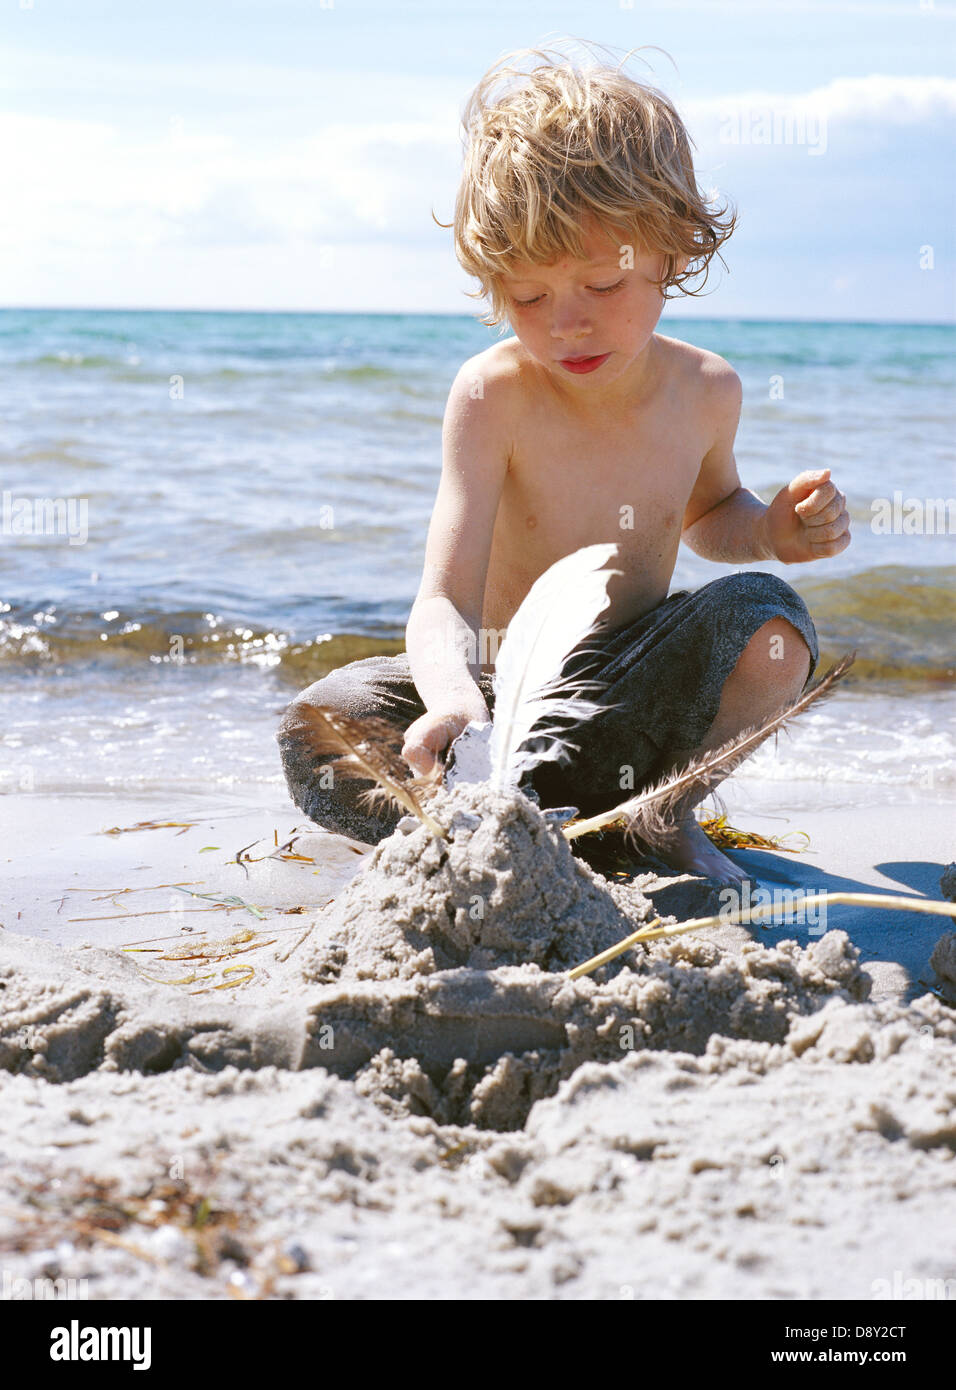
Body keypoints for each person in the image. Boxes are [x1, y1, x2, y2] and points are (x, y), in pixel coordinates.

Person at [277, 45, 850, 884]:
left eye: (602, 287)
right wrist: (450, 699)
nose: (566, 326)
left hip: (635, 696)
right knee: (321, 723)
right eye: (530, 297)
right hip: (498, 706)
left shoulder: (706, 390)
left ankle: (657, 815)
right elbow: (442, 599)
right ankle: (482, 821)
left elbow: (709, 513)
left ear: (676, 250)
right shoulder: (491, 395)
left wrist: (769, 529)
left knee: (771, 621)